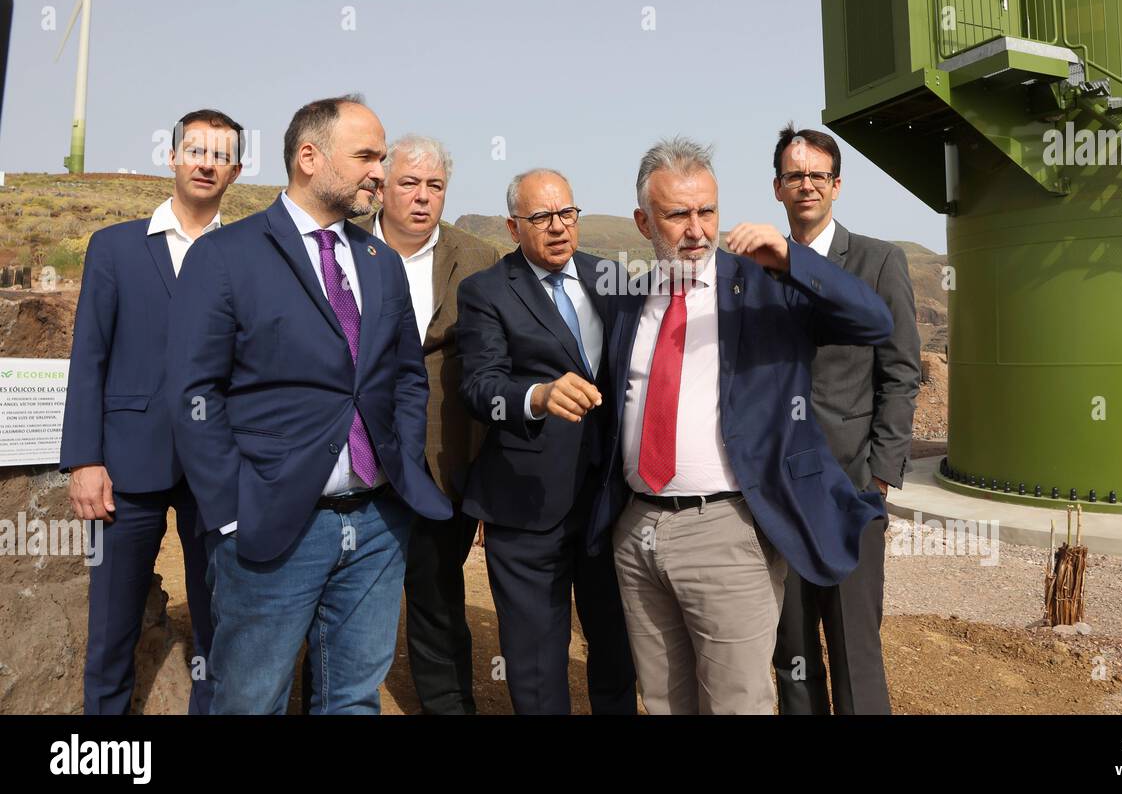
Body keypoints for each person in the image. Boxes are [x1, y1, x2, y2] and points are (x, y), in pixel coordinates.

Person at [165, 94, 451, 714]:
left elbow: (404, 377)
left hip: (377, 524)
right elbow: (193, 394)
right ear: (309, 156)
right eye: (368, 156)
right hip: (270, 524)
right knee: (250, 699)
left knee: (351, 698)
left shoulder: (379, 262)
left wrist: (397, 477)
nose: (381, 170)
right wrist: (234, 508)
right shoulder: (225, 256)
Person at [597, 136, 894, 714]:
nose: (696, 229)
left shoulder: (763, 286)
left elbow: (873, 321)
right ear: (642, 221)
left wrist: (792, 259)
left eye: (706, 210)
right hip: (637, 530)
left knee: (736, 701)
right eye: (676, 214)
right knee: (662, 698)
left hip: (726, 531)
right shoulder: (632, 300)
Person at [61, 108, 243, 714]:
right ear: (171, 157)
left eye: (220, 155)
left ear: (235, 170)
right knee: (111, 628)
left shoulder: (248, 256)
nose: (205, 162)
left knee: (221, 623)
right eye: (195, 150)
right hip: (124, 466)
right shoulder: (113, 249)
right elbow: (89, 357)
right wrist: (84, 459)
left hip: (217, 470)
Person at [455, 168, 636, 715]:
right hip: (526, 501)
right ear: (514, 227)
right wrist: (535, 396)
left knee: (614, 646)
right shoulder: (486, 291)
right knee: (535, 658)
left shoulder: (612, 278)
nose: (557, 228)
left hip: (610, 497)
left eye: (566, 214)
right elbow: (478, 386)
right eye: (540, 218)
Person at [769, 123, 921, 715]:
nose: (805, 185)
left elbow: (902, 372)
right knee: (792, 649)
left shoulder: (879, 262)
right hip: (780, 496)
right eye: (794, 175)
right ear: (777, 188)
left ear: (836, 186)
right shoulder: (760, 268)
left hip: (850, 488)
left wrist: (879, 477)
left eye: (817, 175)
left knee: (856, 648)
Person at [356, 134, 498, 714]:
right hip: (354, 464)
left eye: (434, 186)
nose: (422, 197)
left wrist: (489, 482)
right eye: (409, 184)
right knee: (344, 601)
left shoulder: (481, 260)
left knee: (438, 603)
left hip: (446, 468)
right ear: (382, 187)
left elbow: (494, 373)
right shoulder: (340, 250)